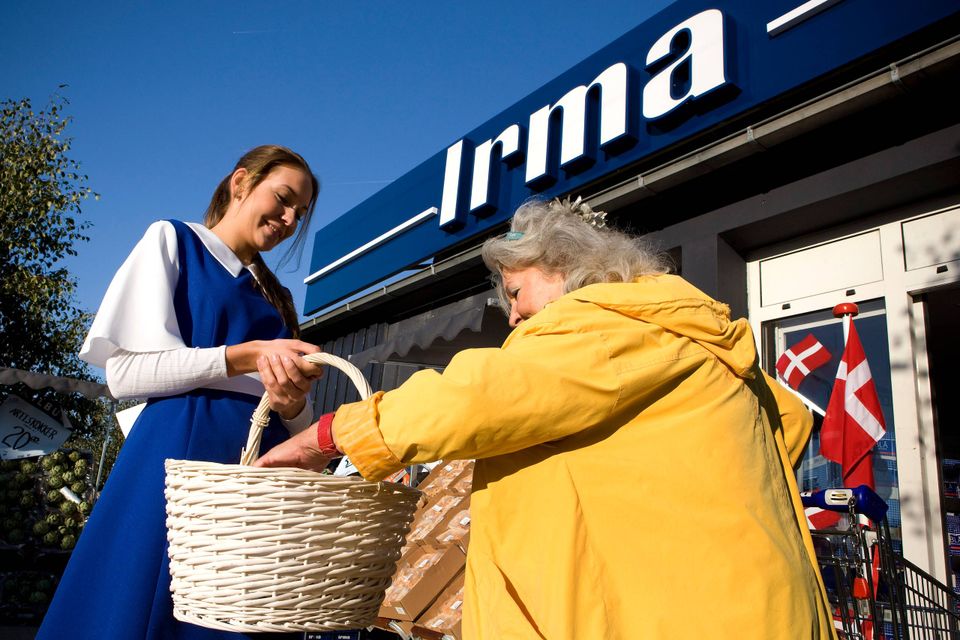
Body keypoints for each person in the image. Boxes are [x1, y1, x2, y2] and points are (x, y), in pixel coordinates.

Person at [255, 197, 835, 638]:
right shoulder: (683, 340)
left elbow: (479, 396)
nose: (512, 316)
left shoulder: (605, 327)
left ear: (562, 267)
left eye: (514, 291)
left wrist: (329, 435)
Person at [38, 145, 324, 640]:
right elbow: (124, 375)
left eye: (299, 212)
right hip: (179, 460)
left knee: (239, 616)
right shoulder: (174, 240)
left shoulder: (277, 297)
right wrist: (242, 355)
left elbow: (296, 418)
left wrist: (292, 402)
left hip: (254, 482)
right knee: (145, 611)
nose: (289, 218)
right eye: (282, 198)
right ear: (240, 183)